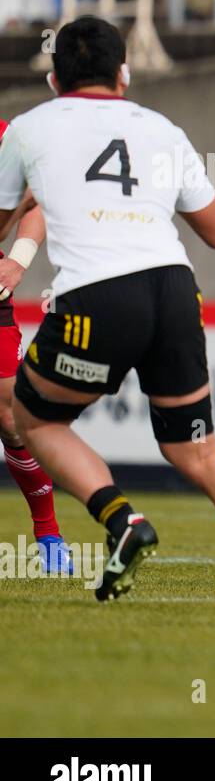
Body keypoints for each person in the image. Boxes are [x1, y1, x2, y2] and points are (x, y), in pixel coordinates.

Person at [0, 15, 215, 609]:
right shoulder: (162, 128)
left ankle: (121, 520)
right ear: (124, 74)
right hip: (175, 290)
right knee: (199, 451)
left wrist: (30, 196)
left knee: (35, 420)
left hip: (95, 294)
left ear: (52, 79)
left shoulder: (26, 127)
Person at [0, 175, 71, 575]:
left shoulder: (6, 139)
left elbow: (38, 196)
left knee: (11, 418)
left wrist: (18, 259)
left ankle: (48, 535)